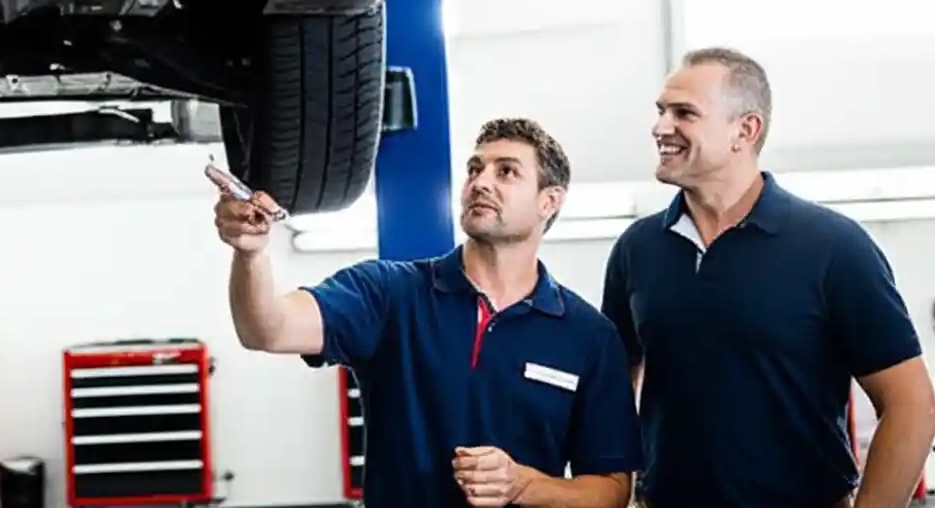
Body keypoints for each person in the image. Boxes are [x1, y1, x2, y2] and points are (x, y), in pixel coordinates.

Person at [215, 118, 643, 508]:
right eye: (475, 169)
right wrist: (251, 255)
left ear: (549, 201)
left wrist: (521, 484)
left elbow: (610, 491)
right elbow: (267, 329)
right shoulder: (388, 293)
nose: (481, 182)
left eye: (506, 172)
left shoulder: (588, 336)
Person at [601, 47, 935, 508]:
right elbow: (614, 393)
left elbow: (912, 407)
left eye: (684, 113)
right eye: (660, 111)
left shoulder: (833, 247)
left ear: (746, 129)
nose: (661, 127)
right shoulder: (637, 249)